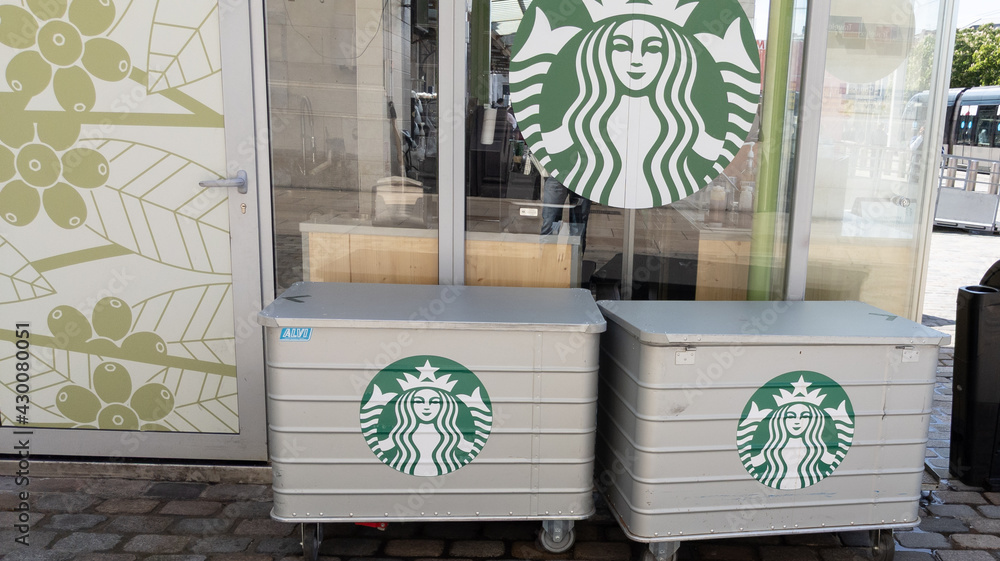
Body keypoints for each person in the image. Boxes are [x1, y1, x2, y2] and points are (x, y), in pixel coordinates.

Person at [551, 15, 724, 208]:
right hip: (573, 180)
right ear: (604, 54)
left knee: (579, 228)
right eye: (622, 47)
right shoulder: (582, 114)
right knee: (553, 225)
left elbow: (709, 152)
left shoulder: (685, 122)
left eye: (652, 49)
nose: (637, 60)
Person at [376, 386, 475, 476]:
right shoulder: (397, 436)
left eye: (435, 402)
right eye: (419, 402)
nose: (427, 407)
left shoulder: (455, 437)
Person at [746, 402, 837, 490]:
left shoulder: (820, 448)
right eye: (790, 416)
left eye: (804, 416)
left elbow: (832, 462)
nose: (797, 421)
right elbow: (753, 464)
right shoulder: (770, 448)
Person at [541, 176, 591, 254]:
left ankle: (573, 263)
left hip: (583, 175)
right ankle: (546, 262)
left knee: (578, 227)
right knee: (550, 222)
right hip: (558, 172)